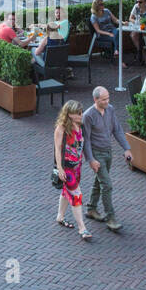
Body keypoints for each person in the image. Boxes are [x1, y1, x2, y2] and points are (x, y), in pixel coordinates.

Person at [81, 86, 133, 233]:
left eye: (108, 98)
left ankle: (91, 208)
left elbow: (117, 129)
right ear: (95, 99)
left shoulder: (110, 109)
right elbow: (87, 140)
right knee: (107, 185)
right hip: (97, 154)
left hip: (108, 152)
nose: (107, 101)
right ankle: (111, 219)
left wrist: (126, 148)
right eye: (103, 99)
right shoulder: (88, 116)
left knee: (100, 181)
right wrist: (91, 159)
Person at [52, 100, 91, 241]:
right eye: (78, 113)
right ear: (69, 114)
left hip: (77, 167)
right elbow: (57, 149)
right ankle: (82, 228)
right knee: (76, 195)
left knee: (66, 192)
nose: (81, 115)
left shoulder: (79, 125)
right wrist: (60, 168)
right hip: (67, 168)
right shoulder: (61, 129)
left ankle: (60, 216)